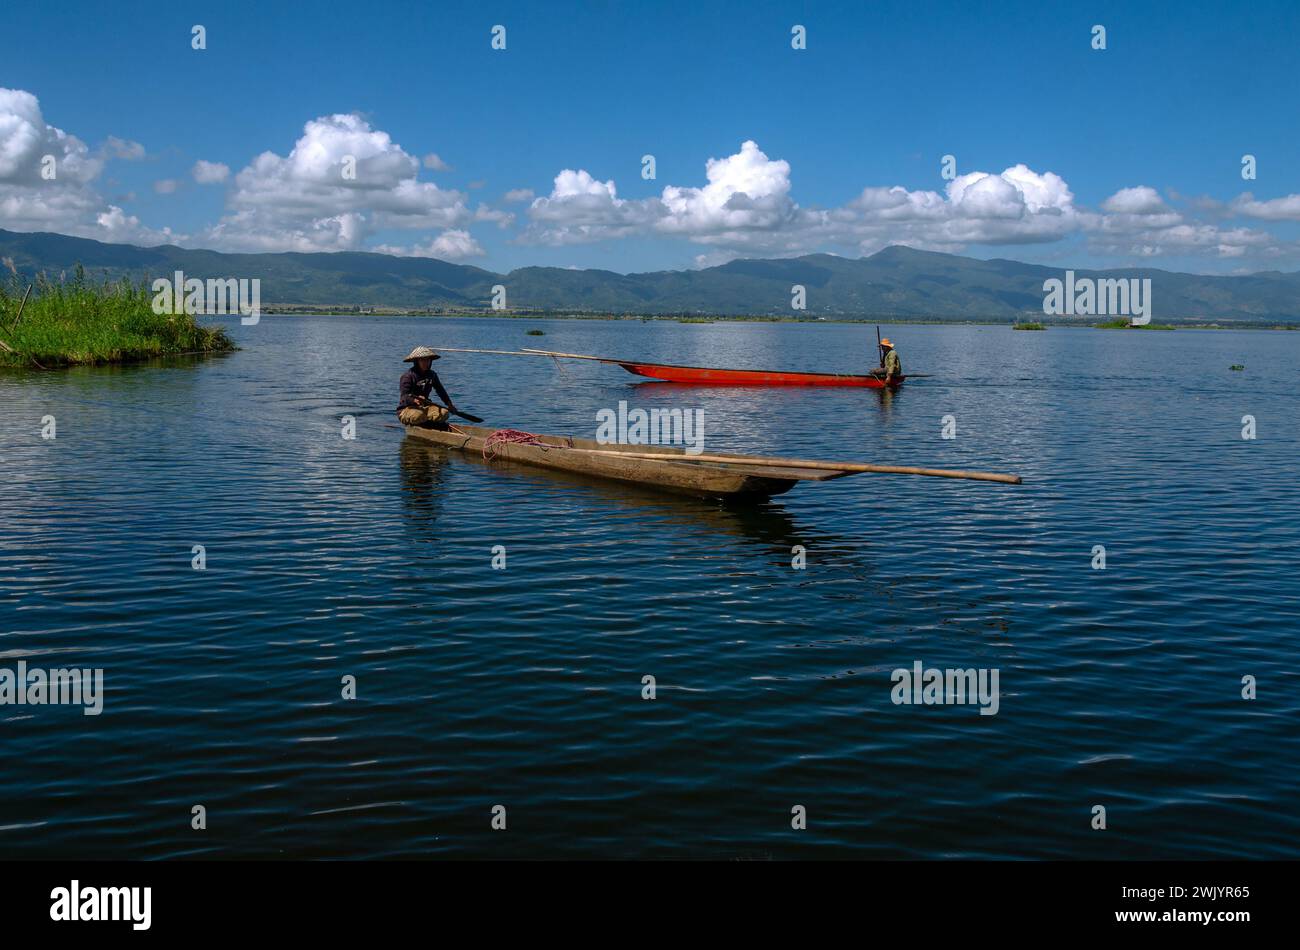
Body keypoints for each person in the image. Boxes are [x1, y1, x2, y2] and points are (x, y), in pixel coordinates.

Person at [397, 346, 458, 428]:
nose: (426, 363)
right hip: (407, 409)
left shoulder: (432, 375)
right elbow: (404, 396)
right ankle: (422, 423)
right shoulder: (408, 376)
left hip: (425, 408)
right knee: (418, 416)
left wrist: (449, 404)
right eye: (423, 360)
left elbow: (440, 390)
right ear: (417, 361)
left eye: (428, 360)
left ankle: (427, 423)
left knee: (444, 413)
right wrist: (415, 400)